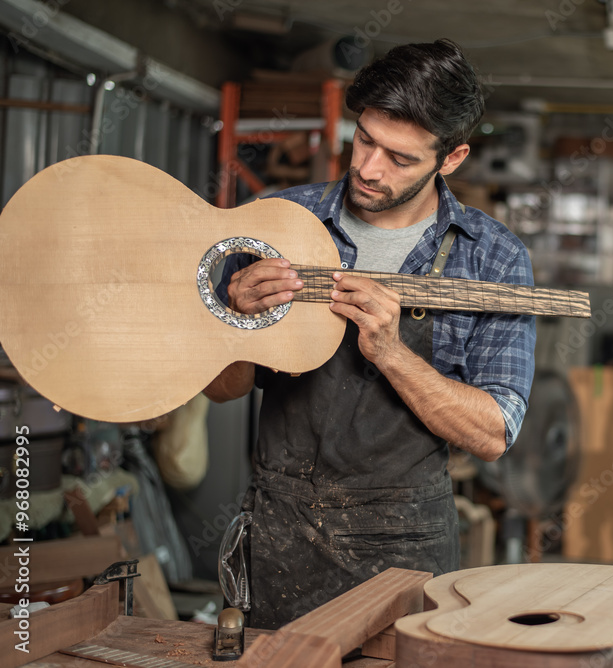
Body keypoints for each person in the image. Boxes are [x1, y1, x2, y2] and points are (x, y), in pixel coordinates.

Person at [203, 39, 536, 629]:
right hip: (279, 532)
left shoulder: (495, 260)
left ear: (451, 158)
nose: (368, 168)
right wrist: (236, 324)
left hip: (404, 546)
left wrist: (389, 352)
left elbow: (492, 432)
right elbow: (220, 390)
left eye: (400, 158)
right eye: (364, 139)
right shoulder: (279, 222)